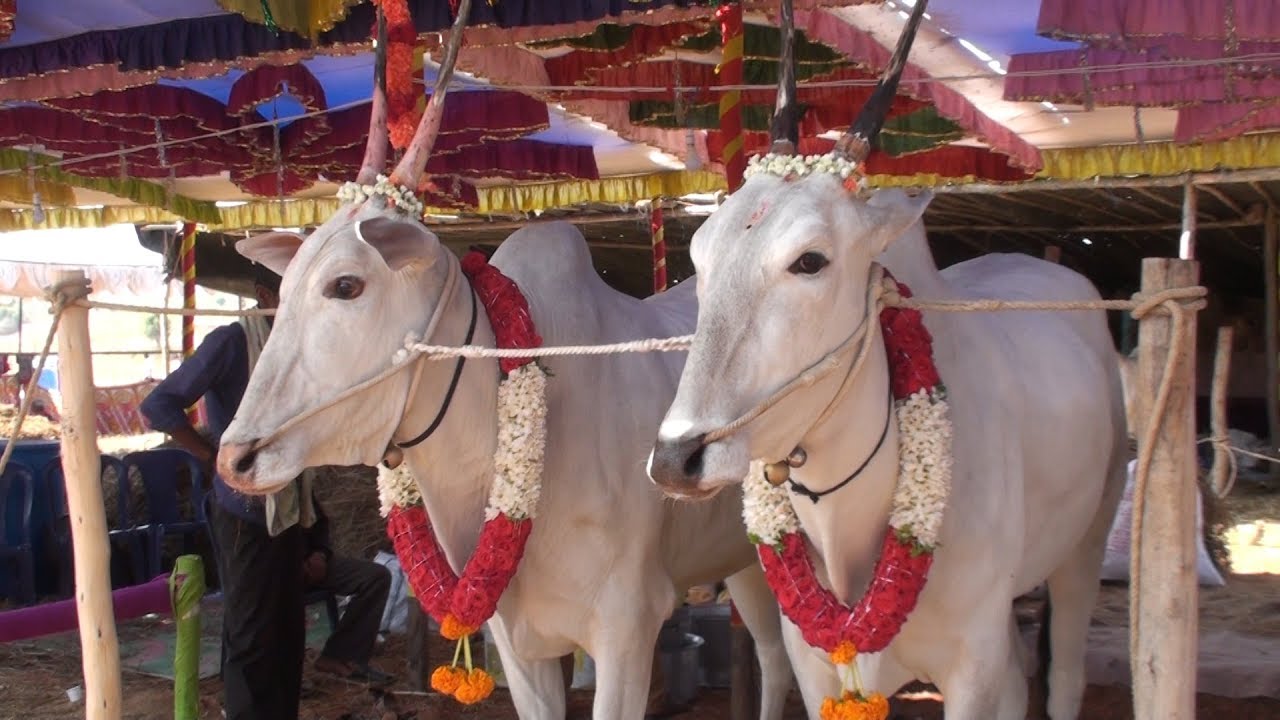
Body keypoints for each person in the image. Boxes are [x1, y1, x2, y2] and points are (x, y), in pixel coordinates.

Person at [139, 263, 389, 720]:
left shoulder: (299, 344)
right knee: (252, 630)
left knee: (287, 629)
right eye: (290, 289)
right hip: (245, 510)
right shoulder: (232, 342)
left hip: (290, 505)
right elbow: (159, 405)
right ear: (261, 291)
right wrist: (207, 453)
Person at [303, 498, 394, 683]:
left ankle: (343, 656)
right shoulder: (251, 486)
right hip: (274, 567)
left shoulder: (297, 480)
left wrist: (320, 553)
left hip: (311, 560)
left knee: (375, 577)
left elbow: (319, 522)